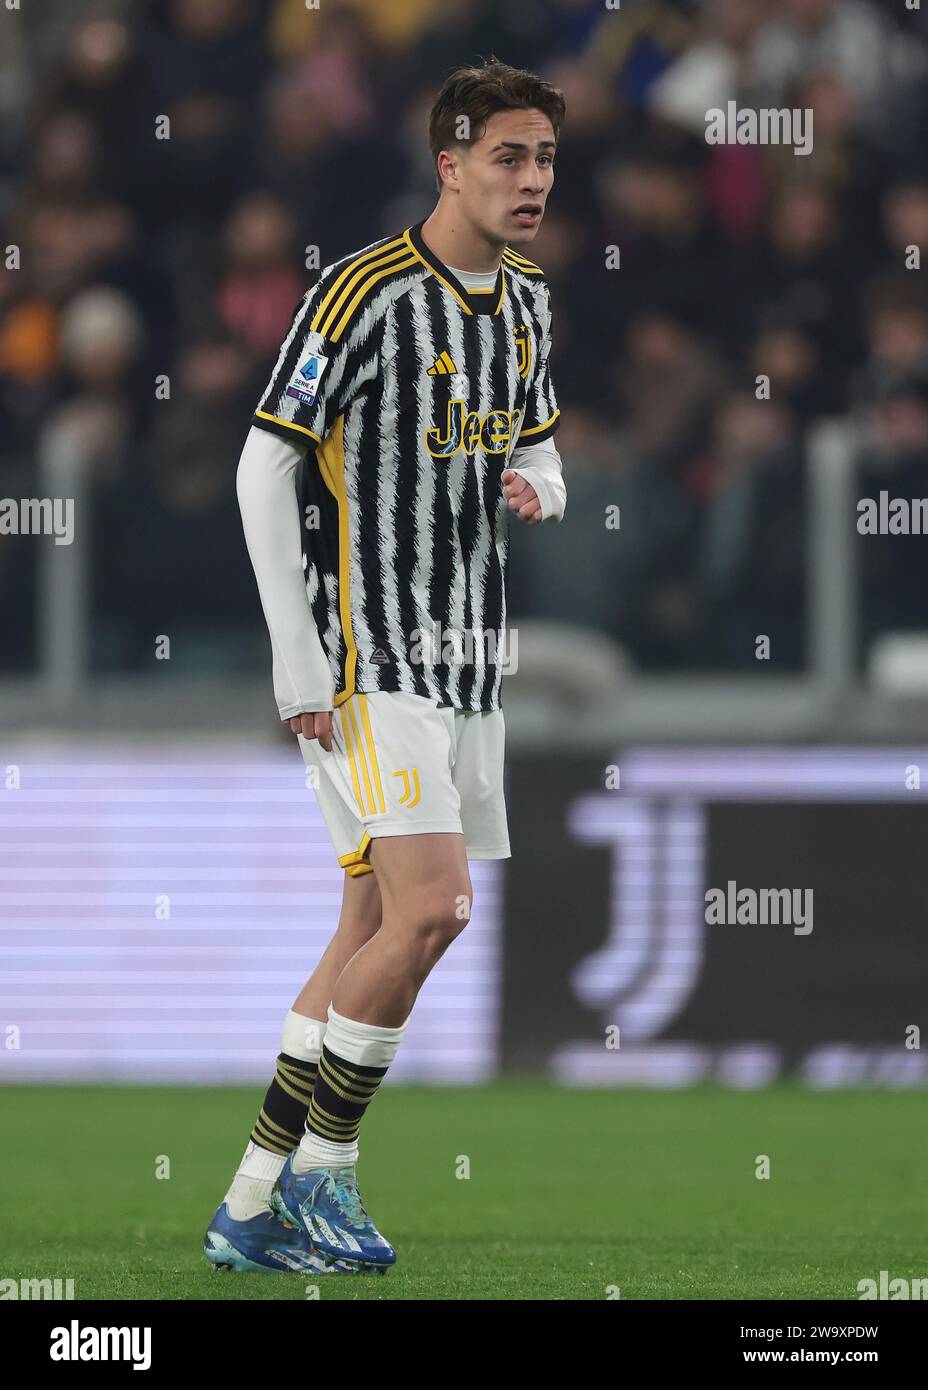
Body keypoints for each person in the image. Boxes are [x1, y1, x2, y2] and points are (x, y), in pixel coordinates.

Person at [204, 57, 567, 1275]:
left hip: (471, 664)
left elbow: (539, 435)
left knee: (370, 917)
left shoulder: (527, 301)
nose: (533, 180)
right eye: (509, 157)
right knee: (434, 908)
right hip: (371, 655)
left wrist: (542, 481)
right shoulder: (360, 292)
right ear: (449, 162)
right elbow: (263, 464)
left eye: (547, 158)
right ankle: (324, 1178)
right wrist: (296, 656)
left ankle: (249, 1203)